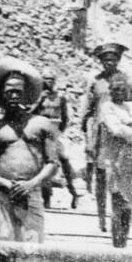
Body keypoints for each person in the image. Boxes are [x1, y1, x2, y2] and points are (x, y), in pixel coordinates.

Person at [0, 58, 59, 244]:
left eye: (18, 92)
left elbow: (53, 163)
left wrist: (31, 183)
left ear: (26, 94)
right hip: (3, 195)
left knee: (33, 247)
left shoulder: (42, 124)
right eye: (9, 92)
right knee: (5, 246)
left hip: (32, 192)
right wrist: (5, 183)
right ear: (1, 95)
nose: (13, 96)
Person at [80, 42, 132, 232]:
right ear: (101, 62)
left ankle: (118, 219)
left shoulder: (125, 80)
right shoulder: (96, 82)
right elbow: (87, 111)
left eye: (113, 59)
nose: (109, 63)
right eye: (105, 60)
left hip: (120, 134)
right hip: (100, 134)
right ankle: (101, 216)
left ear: (118, 60)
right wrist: (88, 138)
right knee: (101, 177)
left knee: (120, 178)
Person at [96, 76, 132, 247]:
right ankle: (117, 242)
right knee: (118, 200)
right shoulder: (107, 107)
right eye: (116, 89)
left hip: (131, 159)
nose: (120, 92)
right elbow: (115, 129)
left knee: (129, 203)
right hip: (114, 158)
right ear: (110, 91)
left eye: (122, 89)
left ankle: (124, 241)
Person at [37, 72, 80, 208]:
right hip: (39, 130)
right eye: (46, 79)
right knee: (42, 162)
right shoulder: (36, 95)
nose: (49, 82)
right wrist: (39, 100)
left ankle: (73, 192)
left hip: (54, 131)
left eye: (51, 79)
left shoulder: (59, 98)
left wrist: (59, 131)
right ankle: (46, 196)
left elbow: (65, 117)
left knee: (63, 159)